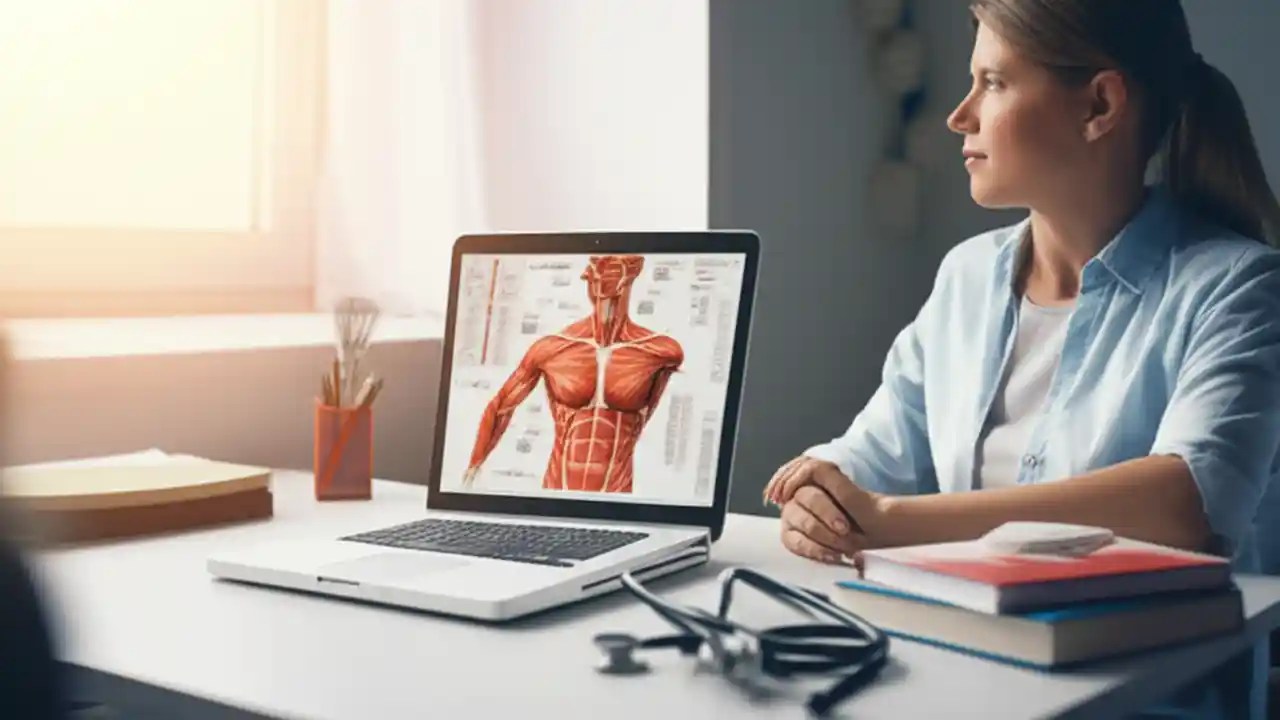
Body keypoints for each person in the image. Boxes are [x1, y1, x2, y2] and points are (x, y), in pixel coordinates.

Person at [764, 1, 1280, 717]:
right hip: (958, 689)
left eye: (994, 82)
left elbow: (1184, 505)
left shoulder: (1240, 287)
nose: (960, 116)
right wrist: (820, 498)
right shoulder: (967, 278)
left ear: (1099, 104)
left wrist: (885, 519)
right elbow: (863, 459)